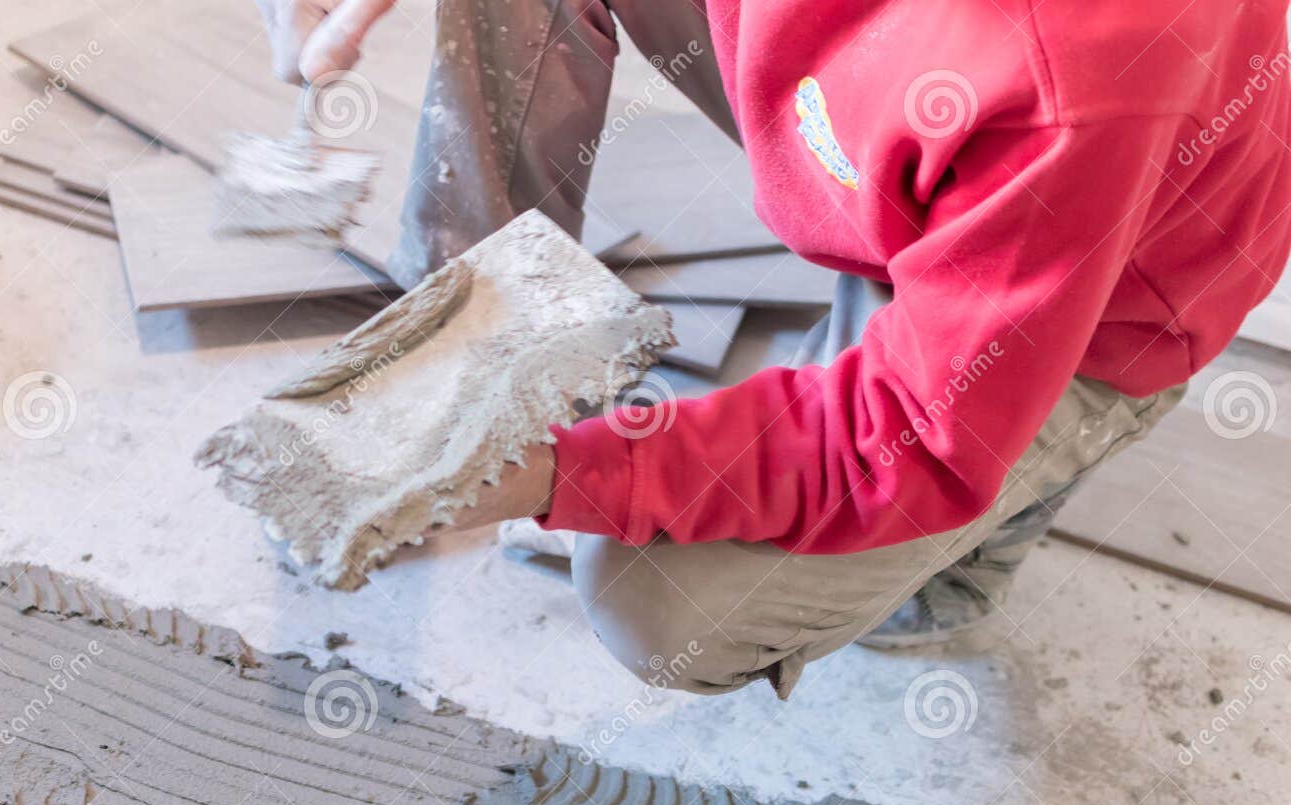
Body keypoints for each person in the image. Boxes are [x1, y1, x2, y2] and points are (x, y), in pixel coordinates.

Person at [257, 0, 1291, 697]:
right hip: (917, 129)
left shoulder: (1089, 61)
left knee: (655, 602)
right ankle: (460, 375)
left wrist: (551, 477)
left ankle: (967, 552)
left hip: (1097, 285)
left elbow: (899, 442)